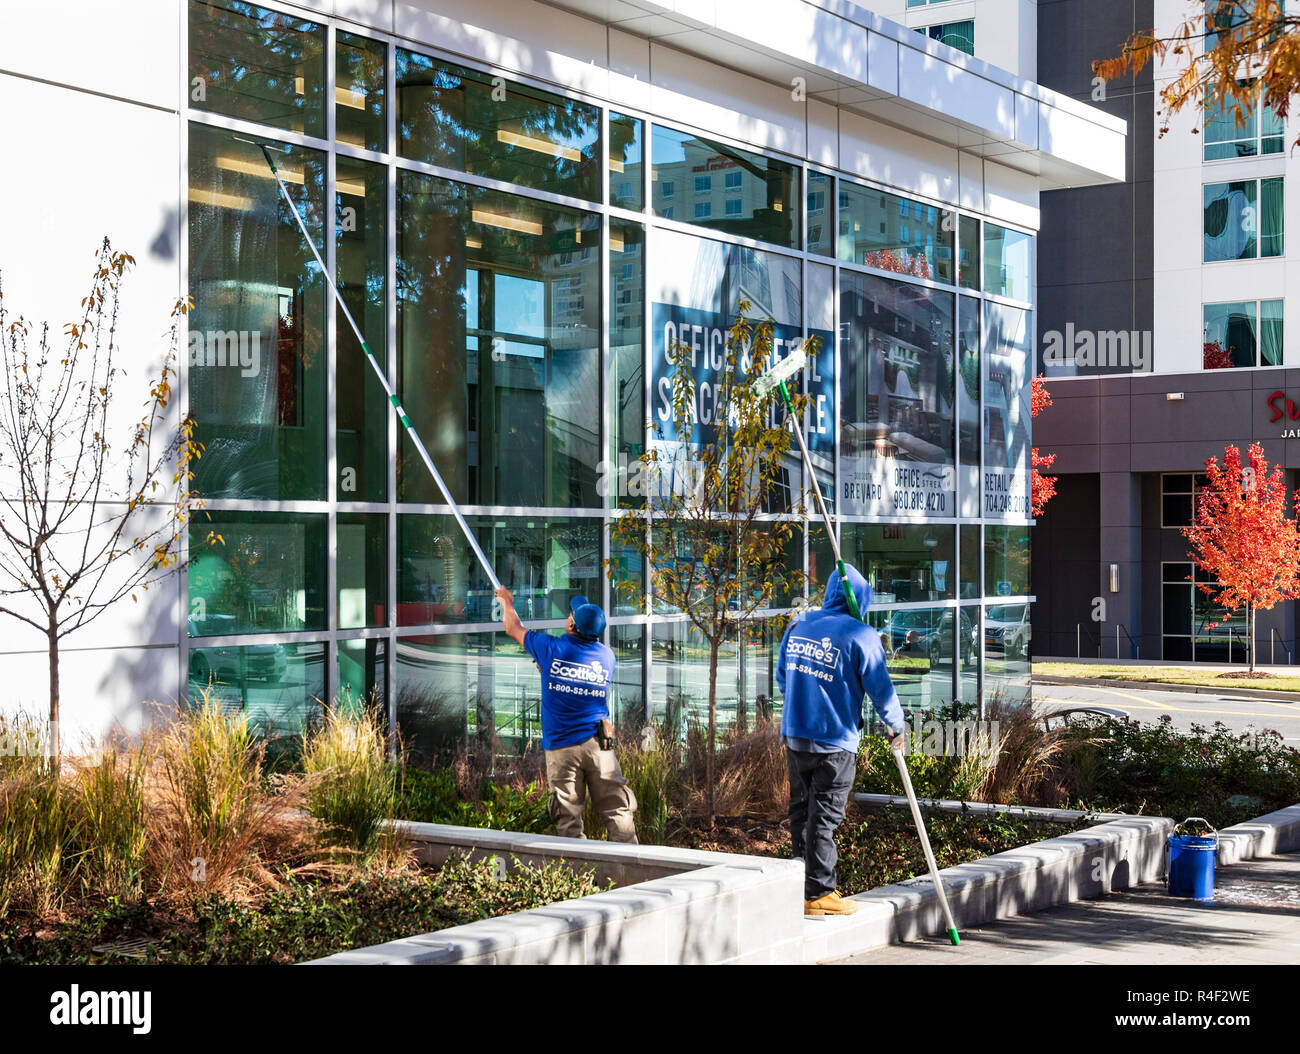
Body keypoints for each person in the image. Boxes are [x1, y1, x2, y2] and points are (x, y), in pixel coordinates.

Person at [776, 563, 906, 916]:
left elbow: (782, 676)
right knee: (825, 815)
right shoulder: (861, 636)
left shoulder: (798, 625)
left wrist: (802, 700)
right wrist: (896, 726)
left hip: (796, 735)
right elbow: (881, 690)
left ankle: (801, 888)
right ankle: (819, 891)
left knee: (802, 811)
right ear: (860, 599)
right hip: (834, 742)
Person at [495, 586, 638, 843]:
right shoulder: (607, 657)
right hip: (599, 747)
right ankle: (632, 864)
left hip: (563, 748)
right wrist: (551, 670)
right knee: (618, 810)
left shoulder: (551, 648)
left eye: (571, 614)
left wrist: (507, 602)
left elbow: (512, 627)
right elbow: (579, 680)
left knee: (568, 819)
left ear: (571, 625)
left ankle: (580, 875)